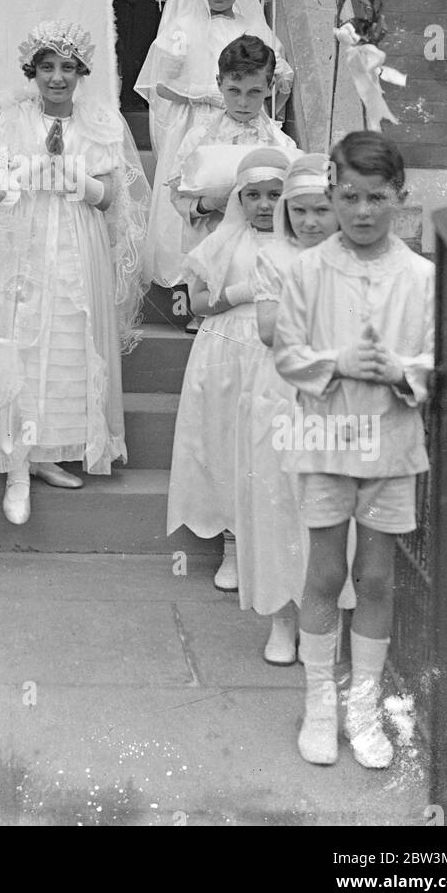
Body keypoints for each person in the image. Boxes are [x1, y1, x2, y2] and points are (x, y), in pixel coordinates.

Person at [0, 21, 149, 525]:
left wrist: (73, 175)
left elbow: (108, 198)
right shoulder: (7, 122)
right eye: (48, 67)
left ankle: (46, 451)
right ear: (32, 71)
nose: (57, 78)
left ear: (81, 72)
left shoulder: (98, 123)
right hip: (21, 243)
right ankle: (15, 469)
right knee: (21, 342)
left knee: (66, 342)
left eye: (68, 68)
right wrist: (27, 173)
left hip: (75, 243)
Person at [274, 132, 433, 769]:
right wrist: (334, 361)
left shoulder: (420, 277)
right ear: (331, 194)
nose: (362, 211)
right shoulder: (306, 270)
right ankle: (320, 701)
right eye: (348, 197)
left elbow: (432, 359)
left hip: (391, 443)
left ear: (400, 196)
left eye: (376, 197)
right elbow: (287, 354)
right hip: (324, 438)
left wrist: (402, 371)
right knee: (324, 572)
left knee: (375, 576)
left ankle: (363, 706)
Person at [167, 148, 289, 590]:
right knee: (227, 443)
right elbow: (198, 301)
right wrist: (242, 291)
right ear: (239, 197)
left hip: (276, 356)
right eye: (252, 195)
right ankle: (233, 546)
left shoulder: (301, 247)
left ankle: (270, 547)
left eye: (274, 195)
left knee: (271, 450)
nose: (263, 205)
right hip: (226, 354)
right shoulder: (225, 242)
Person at [235, 153, 340, 664]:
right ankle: (281, 616)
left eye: (320, 209)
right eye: (298, 210)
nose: (309, 221)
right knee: (277, 500)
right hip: (279, 393)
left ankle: (322, 614)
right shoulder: (274, 258)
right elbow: (270, 329)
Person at [139, 0, 294, 287]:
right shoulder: (182, 27)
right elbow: (160, 83)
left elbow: (276, 74)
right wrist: (206, 95)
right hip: (197, 123)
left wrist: (273, 79)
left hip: (245, 119)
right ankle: (194, 282)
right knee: (199, 197)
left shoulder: (253, 29)